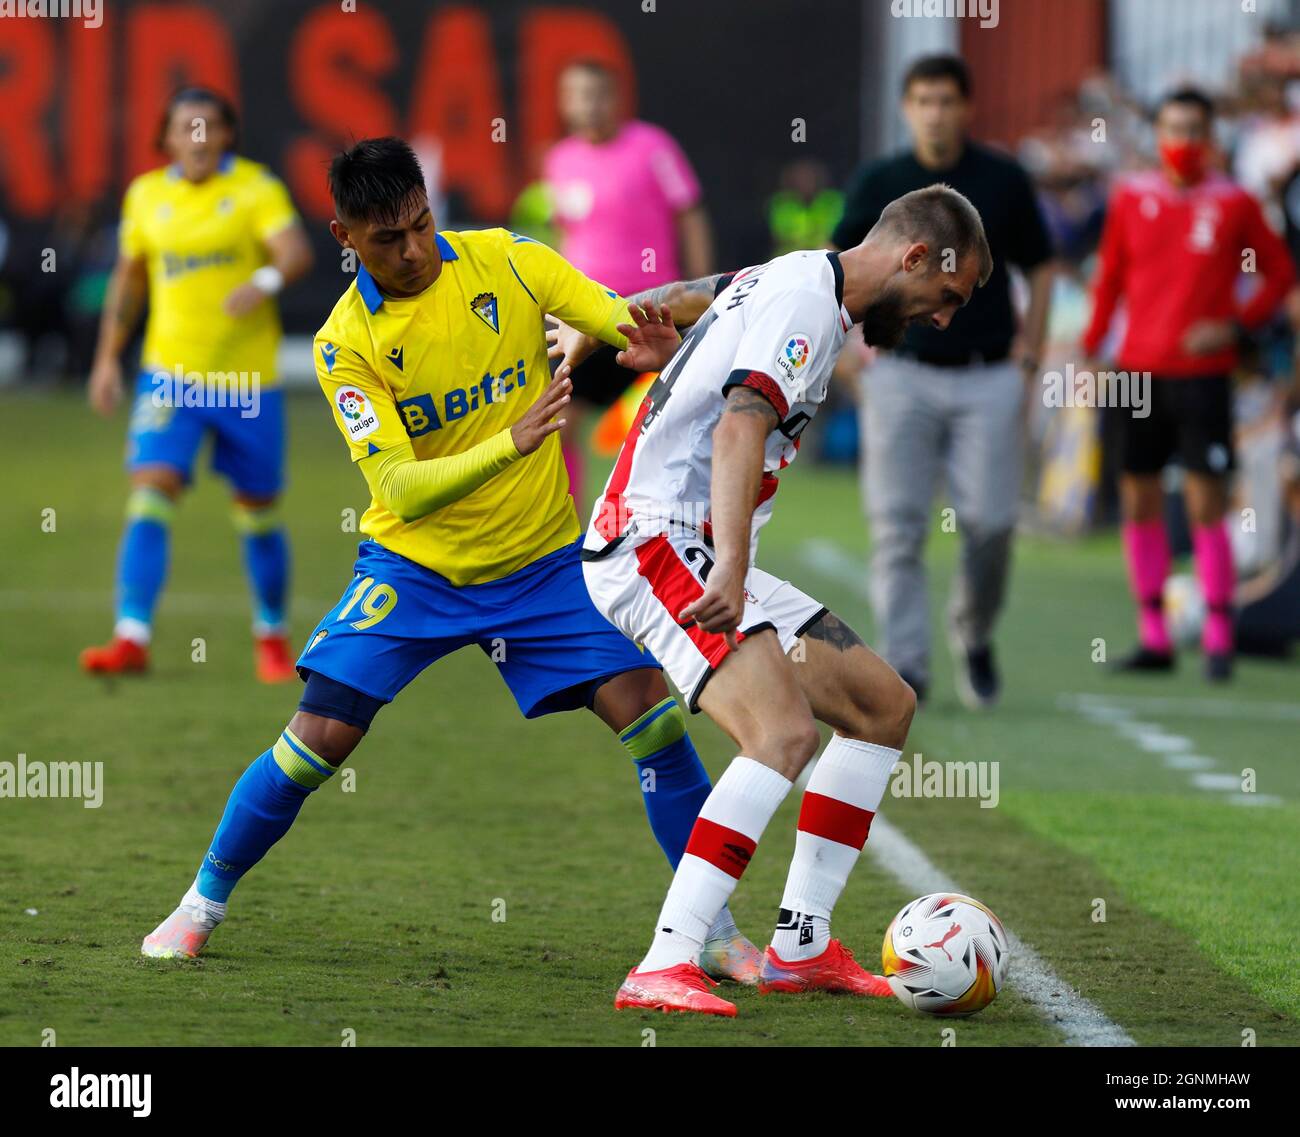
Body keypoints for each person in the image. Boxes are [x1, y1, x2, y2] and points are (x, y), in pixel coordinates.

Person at [139, 138, 760, 983]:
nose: (413, 250)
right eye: (386, 238)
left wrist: (653, 341)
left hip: (543, 566)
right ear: (343, 237)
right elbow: (398, 483)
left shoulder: (509, 260)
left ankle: (713, 929)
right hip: (415, 570)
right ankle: (200, 902)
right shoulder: (344, 343)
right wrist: (514, 439)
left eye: (421, 225)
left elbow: (614, 315)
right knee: (316, 738)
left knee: (649, 715)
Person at [578, 185, 992, 1015]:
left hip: (700, 539)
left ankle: (800, 945)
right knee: (781, 733)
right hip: (655, 536)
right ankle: (665, 961)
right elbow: (740, 426)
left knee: (882, 706)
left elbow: (707, 291)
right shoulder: (808, 300)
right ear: (915, 257)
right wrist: (730, 570)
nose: (944, 318)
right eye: (947, 296)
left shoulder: (806, 278)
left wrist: (638, 325)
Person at [831, 54, 1055, 709]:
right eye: (923, 100)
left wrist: (1032, 351)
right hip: (900, 372)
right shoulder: (881, 181)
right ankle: (906, 665)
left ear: (967, 107)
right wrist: (842, 349)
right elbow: (839, 263)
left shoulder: (1004, 179)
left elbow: (1042, 266)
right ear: (908, 107)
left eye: (947, 100)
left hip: (988, 375)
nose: (936, 112)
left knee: (991, 524)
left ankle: (974, 631)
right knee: (896, 526)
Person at [81, 88, 314, 682]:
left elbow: (294, 252)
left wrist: (261, 282)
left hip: (245, 383)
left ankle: (271, 638)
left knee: (257, 510)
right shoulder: (146, 196)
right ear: (167, 139)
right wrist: (107, 358)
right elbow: (130, 282)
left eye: (210, 126)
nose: (200, 137)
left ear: (228, 135)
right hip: (170, 378)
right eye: (188, 127)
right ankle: (131, 637)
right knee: (151, 491)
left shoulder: (256, 189)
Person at [1082, 87, 1295, 681]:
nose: (1182, 141)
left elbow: (1278, 274)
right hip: (1136, 373)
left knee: (1206, 502)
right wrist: (1092, 346)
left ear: (1211, 137)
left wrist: (1234, 325)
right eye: (1172, 128)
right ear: (1157, 135)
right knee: (1139, 498)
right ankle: (1155, 637)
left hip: (1204, 377)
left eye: (1193, 129)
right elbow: (1111, 277)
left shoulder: (1235, 203)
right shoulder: (1131, 197)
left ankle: (1220, 635)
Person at [543, 58, 713, 505]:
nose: (590, 106)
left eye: (598, 95)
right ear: (564, 102)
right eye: (579, 95)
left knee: (670, 426)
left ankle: (671, 529)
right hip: (586, 314)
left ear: (616, 99)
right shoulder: (560, 161)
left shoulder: (653, 147)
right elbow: (566, 235)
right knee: (558, 421)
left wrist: (701, 291)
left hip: (652, 312)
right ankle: (567, 538)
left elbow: (689, 213)